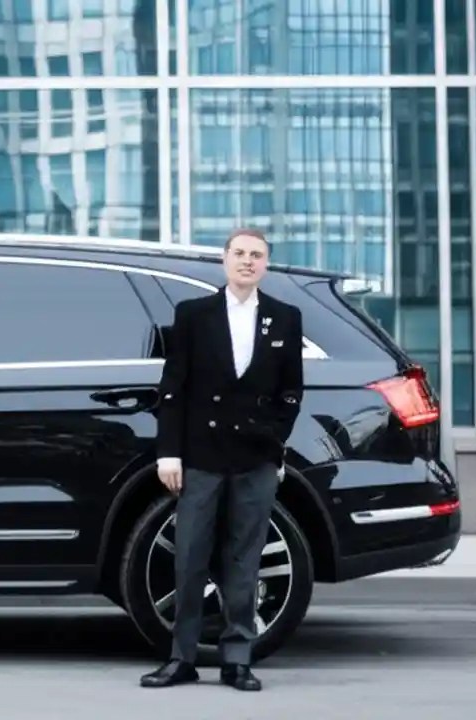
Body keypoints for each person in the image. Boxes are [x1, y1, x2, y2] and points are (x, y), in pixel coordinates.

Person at [139, 228, 304, 692]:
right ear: (224, 260)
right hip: (201, 457)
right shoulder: (194, 314)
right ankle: (182, 658)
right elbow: (172, 389)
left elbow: (291, 391)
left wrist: (273, 444)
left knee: (243, 560)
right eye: (239, 253)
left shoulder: (285, 318)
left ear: (265, 264)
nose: (247, 261)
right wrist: (168, 452)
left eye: (257, 255)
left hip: (255, 460)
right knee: (189, 557)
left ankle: (237, 660)